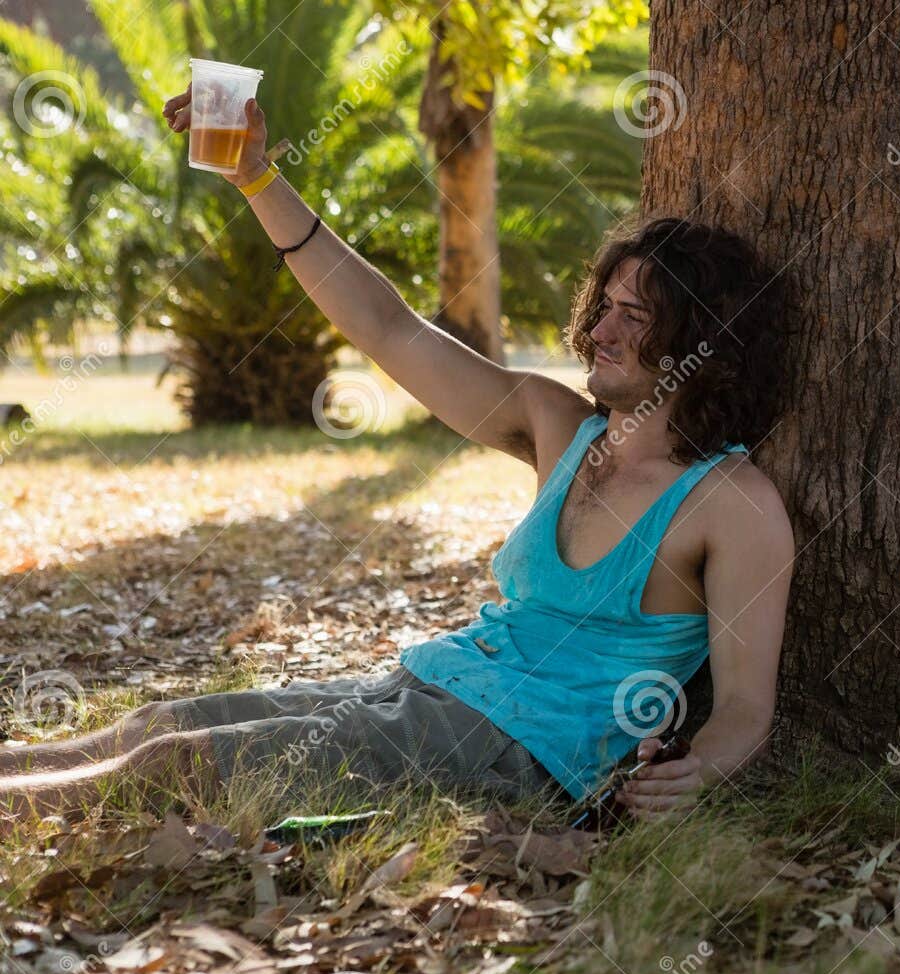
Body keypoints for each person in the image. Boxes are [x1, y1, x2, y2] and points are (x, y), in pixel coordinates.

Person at [0, 90, 797, 828]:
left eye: (635, 317)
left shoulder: (730, 502)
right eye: (605, 308)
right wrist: (257, 179)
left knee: (175, 766)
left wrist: (701, 772)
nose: (601, 332)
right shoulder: (558, 425)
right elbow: (390, 329)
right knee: (161, 722)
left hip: (517, 752)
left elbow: (744, 711)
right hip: (428, 683)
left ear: (702, 346)